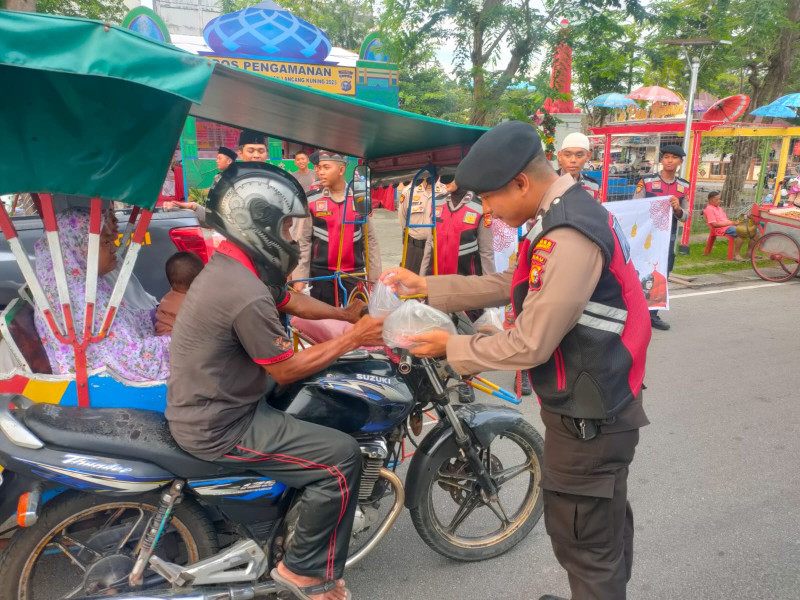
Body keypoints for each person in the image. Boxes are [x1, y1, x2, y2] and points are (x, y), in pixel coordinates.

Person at [382, 121, 651, 600]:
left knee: (585, 543)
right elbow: (516, 281)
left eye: (489, 200)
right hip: (594, 404)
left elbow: (530, 345)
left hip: (590, 419)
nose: (487, 212)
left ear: (521, 183)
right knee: (600, 532)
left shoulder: (569, 234)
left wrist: (452, 346)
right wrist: (430, 286)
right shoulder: (562, 215)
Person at [167, 162, 383, 600]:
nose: (289, 238)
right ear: (258, 225)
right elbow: (283, 367)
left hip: (215, 402)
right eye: (286, 228)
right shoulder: (243, 292)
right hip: (222, 424)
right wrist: (354, 339)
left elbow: (288, 299)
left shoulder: (236, 267)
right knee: (341, 458)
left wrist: (344, 315)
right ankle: (304, 572)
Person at [34, 208, 171, 381]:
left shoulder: (84, 285)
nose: (114, 249)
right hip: (106, 387)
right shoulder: (77, 300)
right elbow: (135, 361)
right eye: (106, 242)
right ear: (79, 248)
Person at [293, 152, 381, 305]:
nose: (320, 172)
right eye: (319, 168)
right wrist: (300, 278)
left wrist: (374, 275)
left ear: (341, 170)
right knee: (324, 323)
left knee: (357, 322)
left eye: (326, 167)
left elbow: (370, 240)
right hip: (321, 275)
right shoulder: (312, 199)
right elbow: (303, 241)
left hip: (354, 274)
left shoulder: (360, 198)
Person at [633, 144, 691, 331]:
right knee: (640, 271)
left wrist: (677, 208)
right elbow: (636, 206)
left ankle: (653, 314)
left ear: (680, 162)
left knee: (661, 274)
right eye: (666, 156)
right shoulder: (647, 181)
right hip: (646, 236)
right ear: (661, 159)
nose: (669, 160)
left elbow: (686, 215)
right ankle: (635, 311)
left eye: (674, 158)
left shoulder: (683, 186)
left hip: (668, 238)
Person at [396, 176, 443, 274]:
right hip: (415, 248)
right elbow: (403, 220)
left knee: (434, 283)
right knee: (410, 283)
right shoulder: (409, 191)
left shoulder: (444, 191)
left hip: (436, 249)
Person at [155, 251, 205, 336]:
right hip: (173, 340)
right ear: (198, 282)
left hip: (159, 332)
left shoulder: (170, 294)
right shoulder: (192, 303)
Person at [702, 190, 754, 261]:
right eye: (717, 199)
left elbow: (725, 220)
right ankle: (736, 255)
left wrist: (736, 223)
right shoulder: (709, 209)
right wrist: (731, 223)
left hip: (729, 226)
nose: (720, 201)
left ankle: (749, 253)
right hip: (722, 229)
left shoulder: (719, 208)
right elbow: (714, 225)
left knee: (755, 231)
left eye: (720, 199)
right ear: (711, 200)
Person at [556, 133, 601, 201]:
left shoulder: (592, 186)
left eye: (579, 155)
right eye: (567, 155)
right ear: (560, 156)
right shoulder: (548, 182)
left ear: (588, 156)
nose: (573, 160)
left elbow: (595, 210)